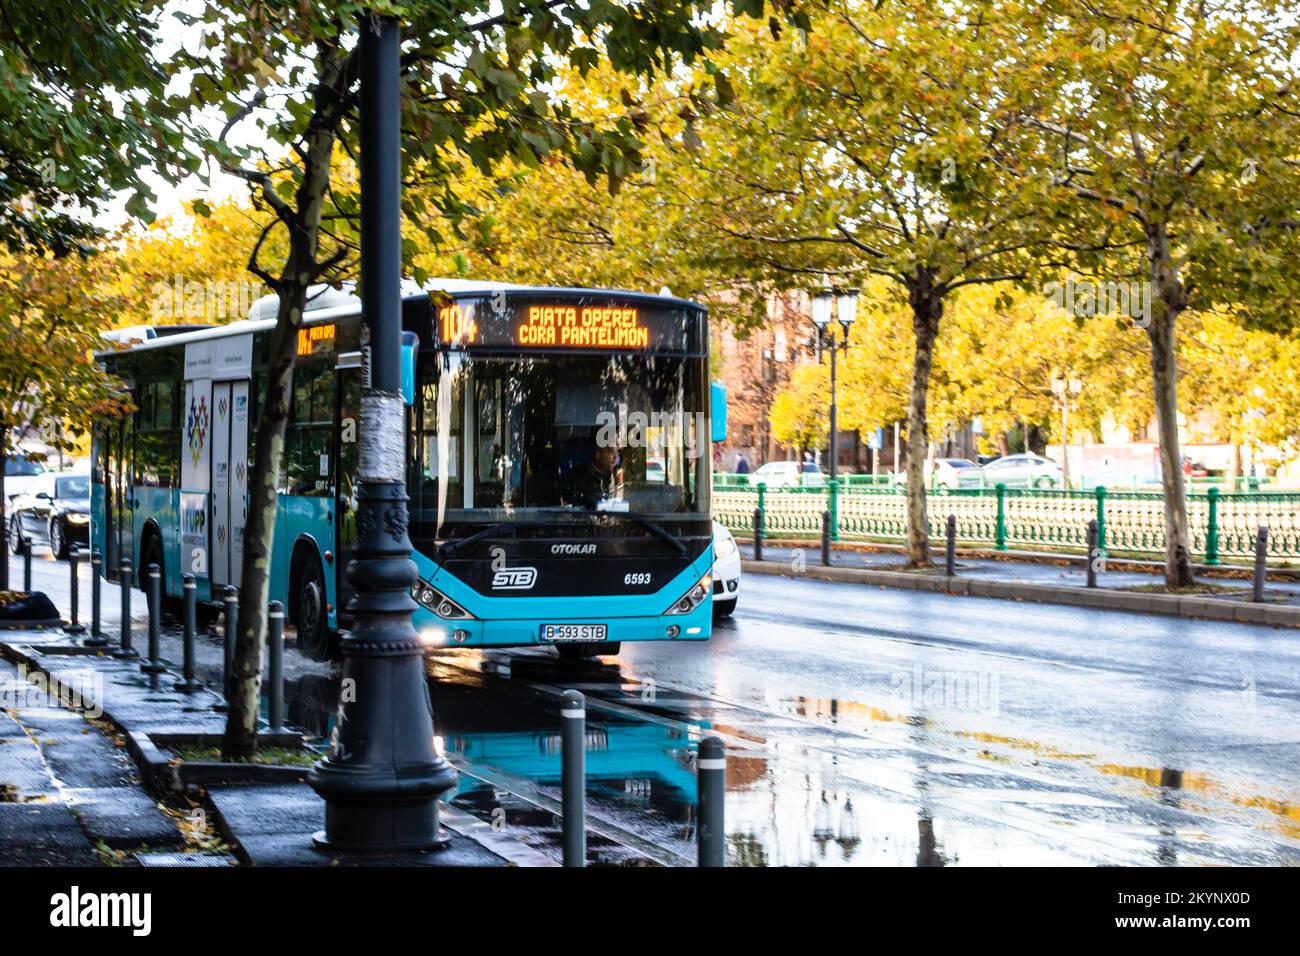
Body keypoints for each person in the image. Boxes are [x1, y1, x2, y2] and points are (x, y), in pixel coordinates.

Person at [561, 442, 620, 509]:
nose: (616, 457)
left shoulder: (612, 475)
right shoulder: (578, 476)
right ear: (598, 454)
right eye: (610, 452)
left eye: (617, 452)